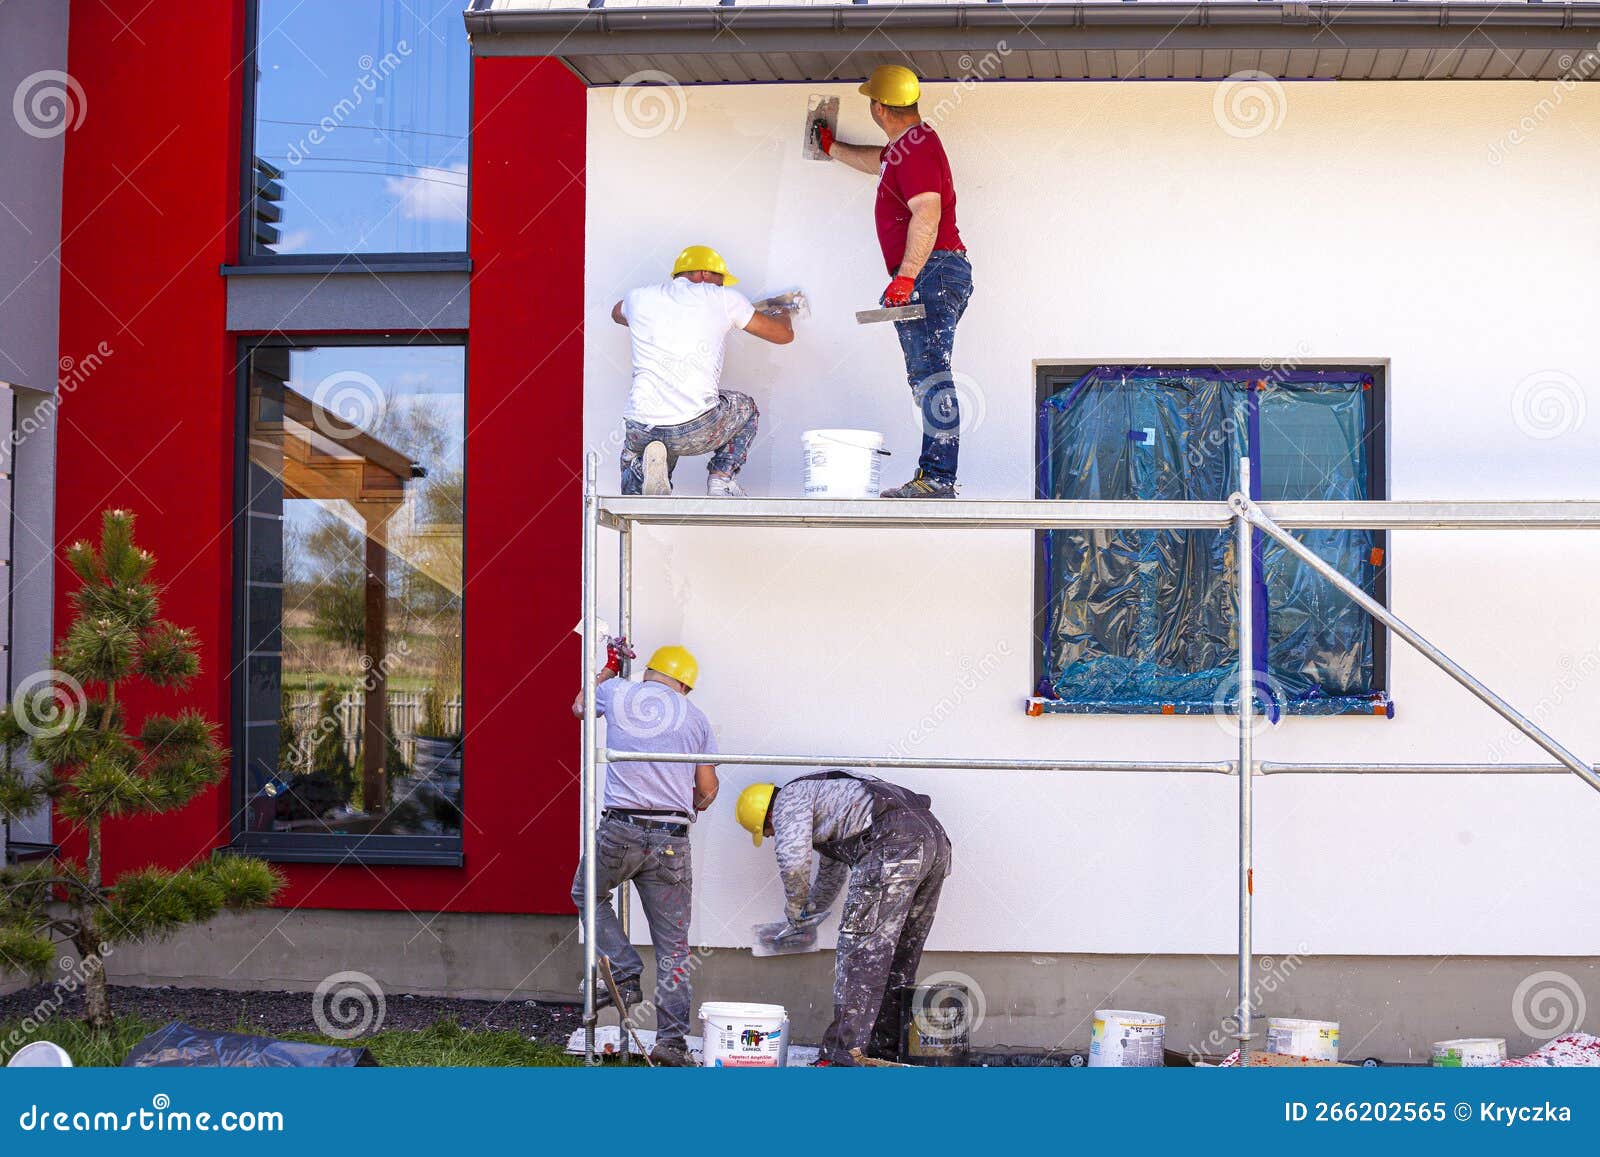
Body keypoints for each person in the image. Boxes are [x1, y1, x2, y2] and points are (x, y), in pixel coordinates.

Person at [815, 65, 974, 499]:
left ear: (878, 107)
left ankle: (938, 478)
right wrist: (832, 149)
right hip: (936, 272)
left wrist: (905, 278)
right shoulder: (907, 147)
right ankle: (936, 475)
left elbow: (927, 211)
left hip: (933, 272)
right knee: (926, 375)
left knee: (932, 376)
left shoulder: (918, 147)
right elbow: (875, 161)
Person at [736, 770, 952, 1065]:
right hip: (933, 841)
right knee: (899, 954)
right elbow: (830, 874)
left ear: (767, 817)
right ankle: (881, 1050)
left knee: (859, 953)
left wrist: (794, 907)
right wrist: (808, 915)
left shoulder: (788, 800)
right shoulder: (827, 801)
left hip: (891, 842)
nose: (772, 836)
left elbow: (793, 862)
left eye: (768, 832)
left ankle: (839, 1056)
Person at [571, 641, 718, 1067]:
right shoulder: (697, 718)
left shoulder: (617, 691)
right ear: (684, 685)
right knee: (674, 949)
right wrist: (686, 800)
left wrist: (606, 670)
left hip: (620, 830)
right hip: (672, 839)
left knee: (588, 893)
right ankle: (671, 1044)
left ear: (652, 673)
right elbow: (707, 790)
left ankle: (623, 968)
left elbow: (580, 708)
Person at [612, 245, 794, 497]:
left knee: (650, 445)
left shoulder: (638, 298)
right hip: (694, 429)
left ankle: (643, 478)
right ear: (703, 274)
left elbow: (616, 313)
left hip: (640, 427)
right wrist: (782, 312)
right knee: (746, 407)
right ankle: (721, 479)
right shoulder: (723, 299)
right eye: (719, 279)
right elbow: (783, 335)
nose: (720, 286)